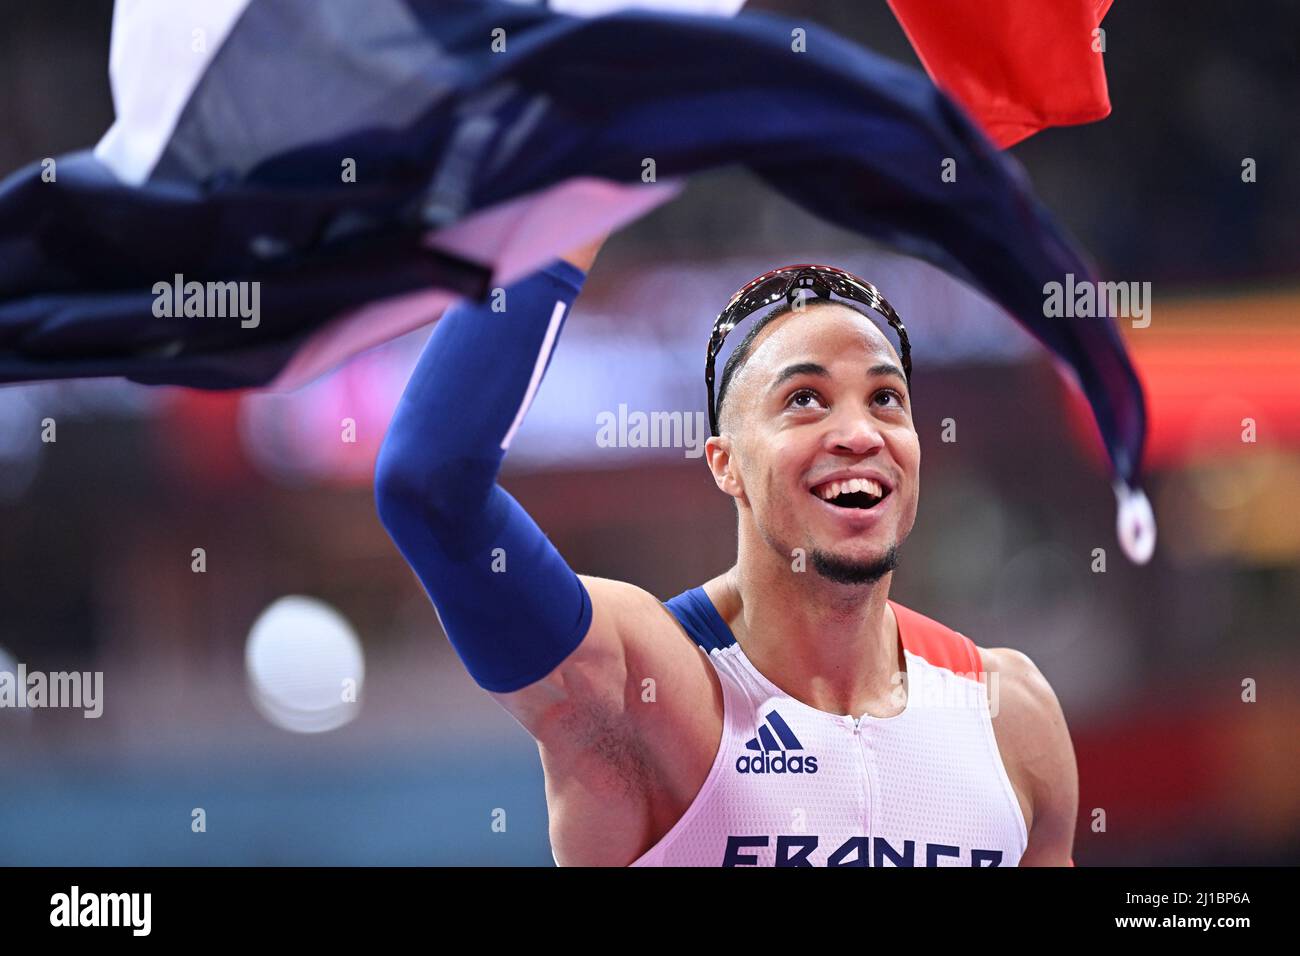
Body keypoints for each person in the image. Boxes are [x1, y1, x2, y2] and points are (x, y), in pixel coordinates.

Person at [374, 236, 1078, 866]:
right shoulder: (642, 688)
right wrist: (574, 204)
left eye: (886, 399)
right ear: (725, 463)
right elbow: (429, 488)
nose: (860, 433)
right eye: (805, 399)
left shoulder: (1008, 711)